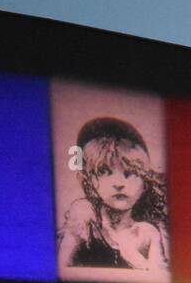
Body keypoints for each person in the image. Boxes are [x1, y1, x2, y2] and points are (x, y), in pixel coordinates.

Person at [57, 117, 170, 273]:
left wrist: (131, 256)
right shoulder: (84, 226)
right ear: (88, 181)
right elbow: (63, 270)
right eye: (105, 172)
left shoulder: (146, 234)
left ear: (145, 183)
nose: (118, 183)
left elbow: (160, 277)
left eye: (130, 173)